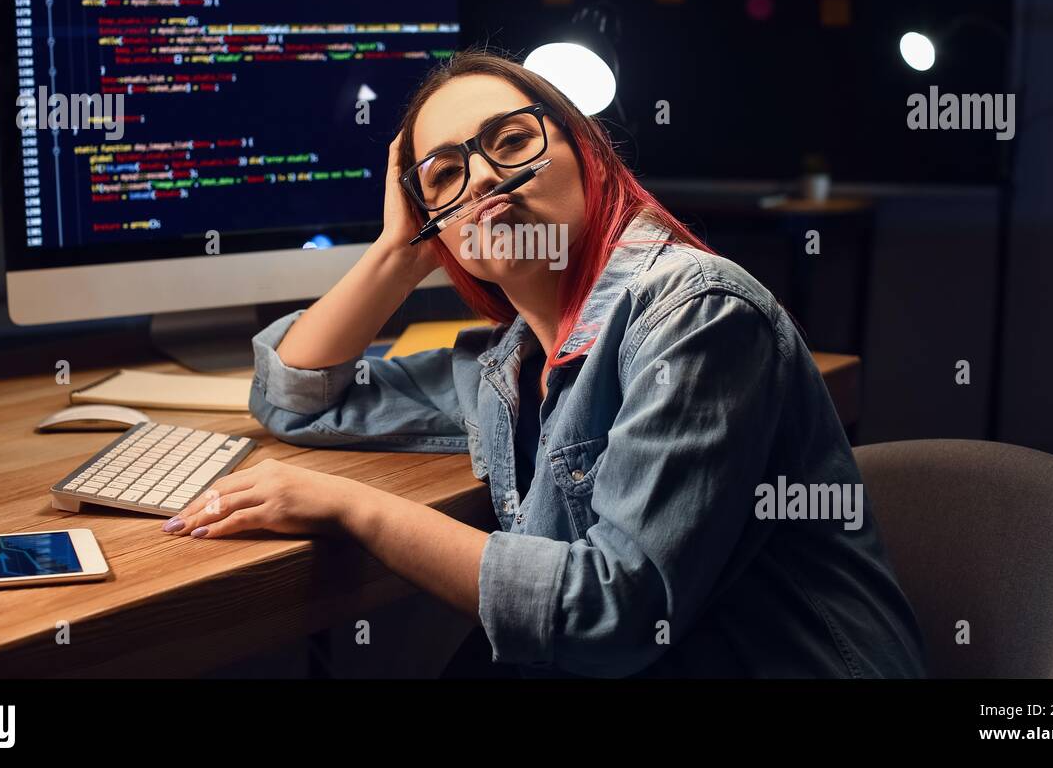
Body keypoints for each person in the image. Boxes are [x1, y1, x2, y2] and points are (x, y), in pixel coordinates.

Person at [161, 49, 928, 679]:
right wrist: (399, 251)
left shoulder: (699, 316)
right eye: (444, 176)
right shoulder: (508, 364)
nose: (486, 179)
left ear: (584, 153)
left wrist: (357, 509)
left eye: (512, 142)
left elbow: (615, 614)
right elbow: (300, 396)